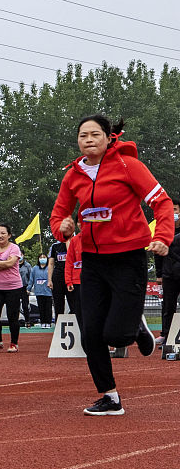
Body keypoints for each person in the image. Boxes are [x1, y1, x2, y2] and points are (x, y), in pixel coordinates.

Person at [49, 115, 173, 415]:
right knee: (90, 333)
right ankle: (110, 396)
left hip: (128, 257)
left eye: (95, 134)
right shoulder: (73, 176)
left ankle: (135, 328)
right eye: (83, 135)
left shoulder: (128, 166)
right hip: (92, 261)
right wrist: (62, 228)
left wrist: (163, 237)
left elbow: (162, 202)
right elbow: (58, 215)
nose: (88, 140)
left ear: (108, 138)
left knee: (116, 336)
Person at [0, 224, 24, 352]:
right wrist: (3, 264)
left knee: (12, 316)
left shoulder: (14, 248)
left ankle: (14, 343)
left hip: (13, 287)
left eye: (3, 233)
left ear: (9, 235)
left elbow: (11, 263)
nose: (0, 236)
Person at [157, 209, 180, 346]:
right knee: (167, 306)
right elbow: (157, 254)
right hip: (169, 274)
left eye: (175, 209)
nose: (173, 213)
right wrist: (159, 274)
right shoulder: (164, 230)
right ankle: (166, 335)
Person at [47, 222, 73, 318]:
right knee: (58, 303)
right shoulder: (55, 246)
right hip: (58, 276)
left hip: (71, 276)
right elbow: (51, 263)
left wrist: (68, 241)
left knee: (73, 302)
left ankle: (76, 323)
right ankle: (58, 322)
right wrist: (49, 280)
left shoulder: (74, 243)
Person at [28, 250, 53, 328]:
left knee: (48, 308)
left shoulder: (50, 268)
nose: (42, 259)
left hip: (48, 292)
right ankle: (43, 322)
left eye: (44, 257)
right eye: (41, 257)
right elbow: (31, 279)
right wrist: (28, 289)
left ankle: (48, 322)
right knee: (41, 308)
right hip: (39, 291)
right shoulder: (35, 269)